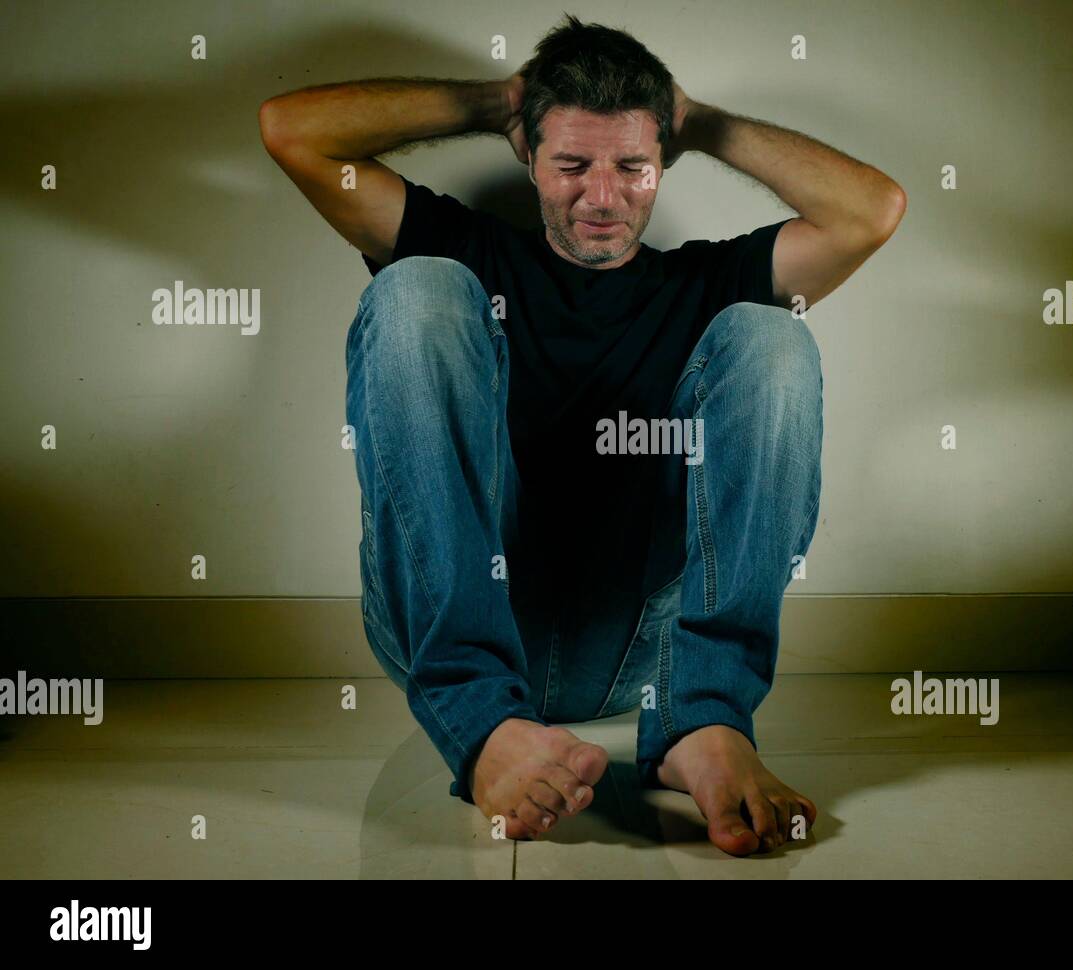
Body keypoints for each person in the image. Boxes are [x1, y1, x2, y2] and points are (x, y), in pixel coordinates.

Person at [260, 13, 905, 857]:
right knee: (413, 290)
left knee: (774, 337)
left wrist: (697, 120)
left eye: (632, 166)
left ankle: (704, 723)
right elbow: (292, 131)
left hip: (639, 651)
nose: (602, 198)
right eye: (571, 164)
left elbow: (872, 211)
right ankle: (482, 721)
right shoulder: (465, 249)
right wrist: (500, 100)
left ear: (660, 164)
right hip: (450, 624)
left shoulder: (707, 283)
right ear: (528, 155)